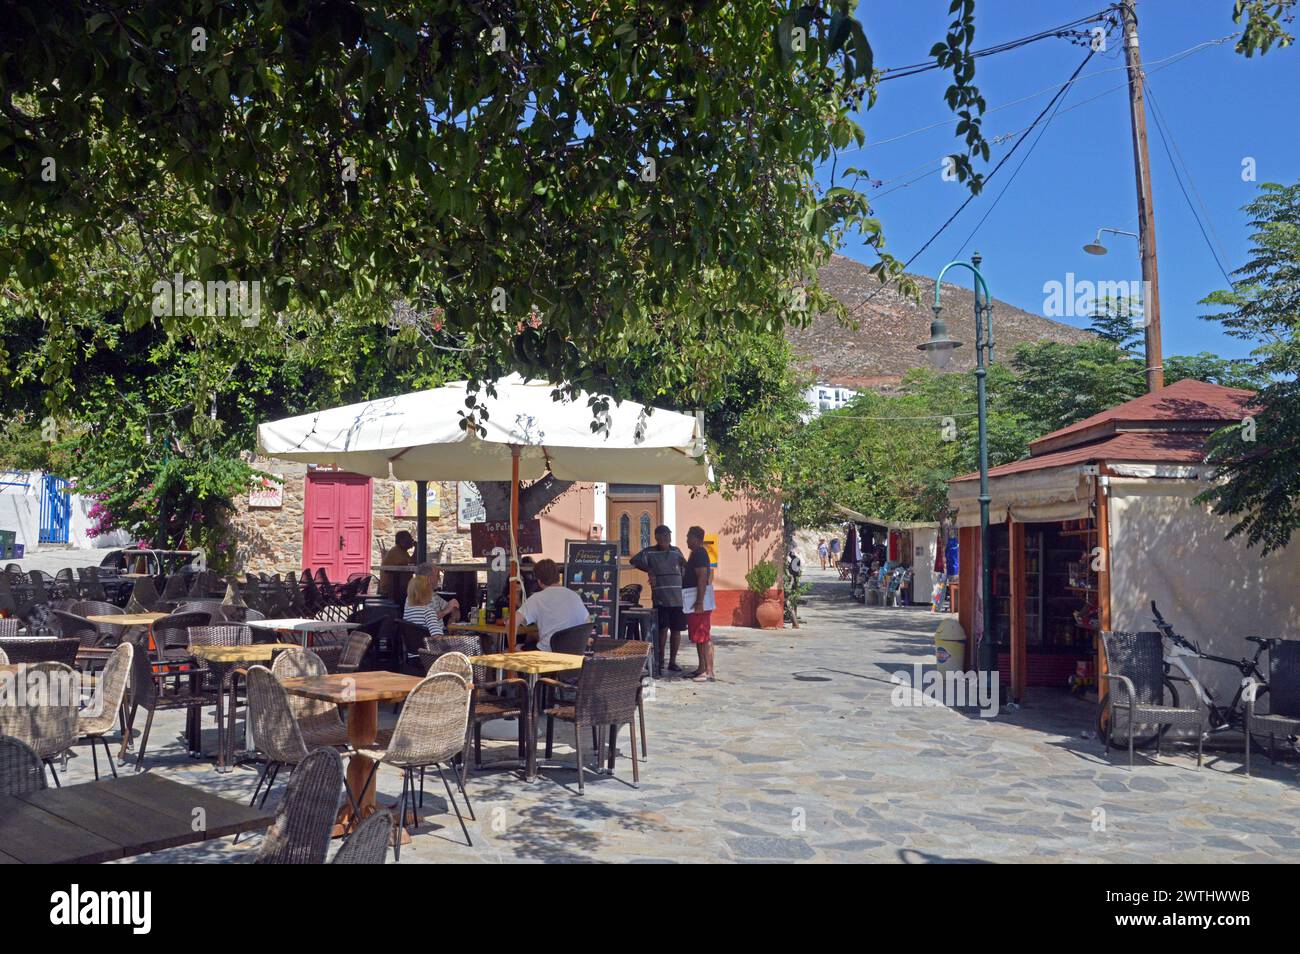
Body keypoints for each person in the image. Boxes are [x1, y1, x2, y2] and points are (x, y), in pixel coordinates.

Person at [631, 524, 687, 673]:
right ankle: (660, 661)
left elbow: (685, 567)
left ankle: (673, 662)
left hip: (677, 599)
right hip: (661, 598)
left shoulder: (676, 552)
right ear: (656, 537)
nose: (666, 538)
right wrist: (649, 570)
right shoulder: (649, 552)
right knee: (662, 630)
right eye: (662, 535)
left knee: (676, 631)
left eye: (668, 535)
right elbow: (634, 560)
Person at [519, 558, 590, 652]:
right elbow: (587, 621)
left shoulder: (537, 598)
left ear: (539, 581)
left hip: (548, 654)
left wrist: (513, 646)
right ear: (557, 576)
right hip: (573, 655)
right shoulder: (574, 596)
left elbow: (512, 623)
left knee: (514, 649)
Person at [683, 526, 715, 681]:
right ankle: (701, 668)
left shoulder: (700, 554)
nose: (687, 539)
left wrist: (699, 601)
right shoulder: (694, 554)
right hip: (693, 600)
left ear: (696, 538)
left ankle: (709, 671)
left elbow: (702, 577)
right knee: (697, 636)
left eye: (688, 536)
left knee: (704, 635)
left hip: (698, 601)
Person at [404, 570, 458, 637]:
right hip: (430, 645)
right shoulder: (428, 612)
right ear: (428, 594)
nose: (438, 578)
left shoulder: (408, 611)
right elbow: (437, 637)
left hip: (414, 645)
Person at [379, 530, 416, 599]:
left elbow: (412, 564)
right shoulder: (396, 552)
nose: (412, 541)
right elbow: (410, 564)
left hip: (399, 586)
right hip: (390, 588)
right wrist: (417, 549)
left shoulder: (403, 552)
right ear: (401, 541)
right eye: (409, 539)